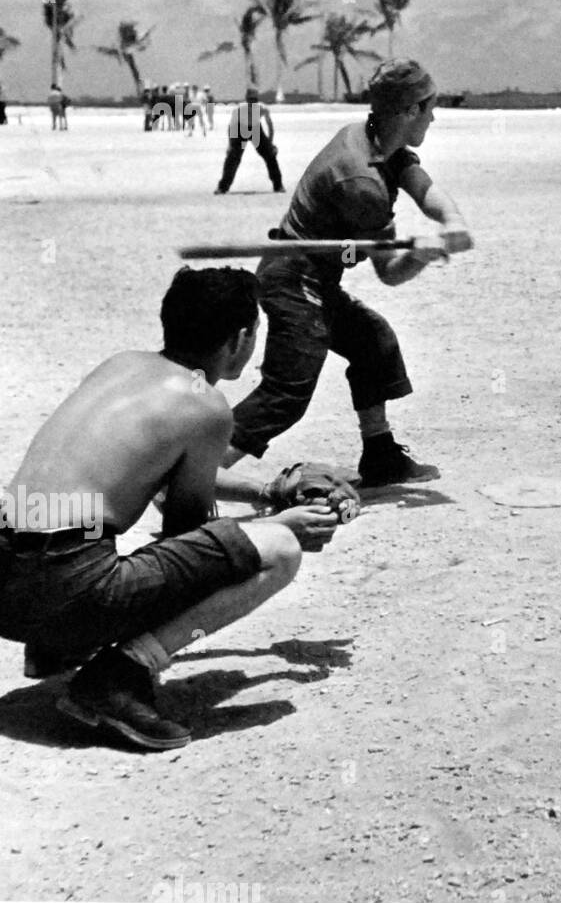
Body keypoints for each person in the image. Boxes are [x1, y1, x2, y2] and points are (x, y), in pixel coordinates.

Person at [0, 267, 346, 750]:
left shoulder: (120, 365)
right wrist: (282, 524)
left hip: (7, 584)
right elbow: (188, 534)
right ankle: (118, 677)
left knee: (75, 528)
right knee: (280, 551)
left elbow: (161, 468)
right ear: (241, 338)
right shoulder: (207, 406)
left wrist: (269, 493)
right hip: (68, 590)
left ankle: (56, 647)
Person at [223, 60, 473, 488]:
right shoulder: (362, 180)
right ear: (410, 110)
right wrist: (420, 255)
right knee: (287, 394)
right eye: (430, 107)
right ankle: (192, 468)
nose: (435, 116)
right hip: (294, 278)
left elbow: (417, 181)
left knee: (373, 341)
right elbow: (390, 274)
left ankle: (380, 456)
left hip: (312, 274)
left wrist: (451, 220)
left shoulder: (370, 136)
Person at [215, 88, 284, 194]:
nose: (252, 103)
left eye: (254, 100)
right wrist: (230, 145)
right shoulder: (239, 109)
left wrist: (270, 143)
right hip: (240, 130)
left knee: (270, 156)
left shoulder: (263, 108)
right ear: (247, 99)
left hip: (255, 129)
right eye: (250, 100)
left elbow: (270, 126)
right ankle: (222, 187)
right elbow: (232, 126)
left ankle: (278, 185)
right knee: (233, 159)